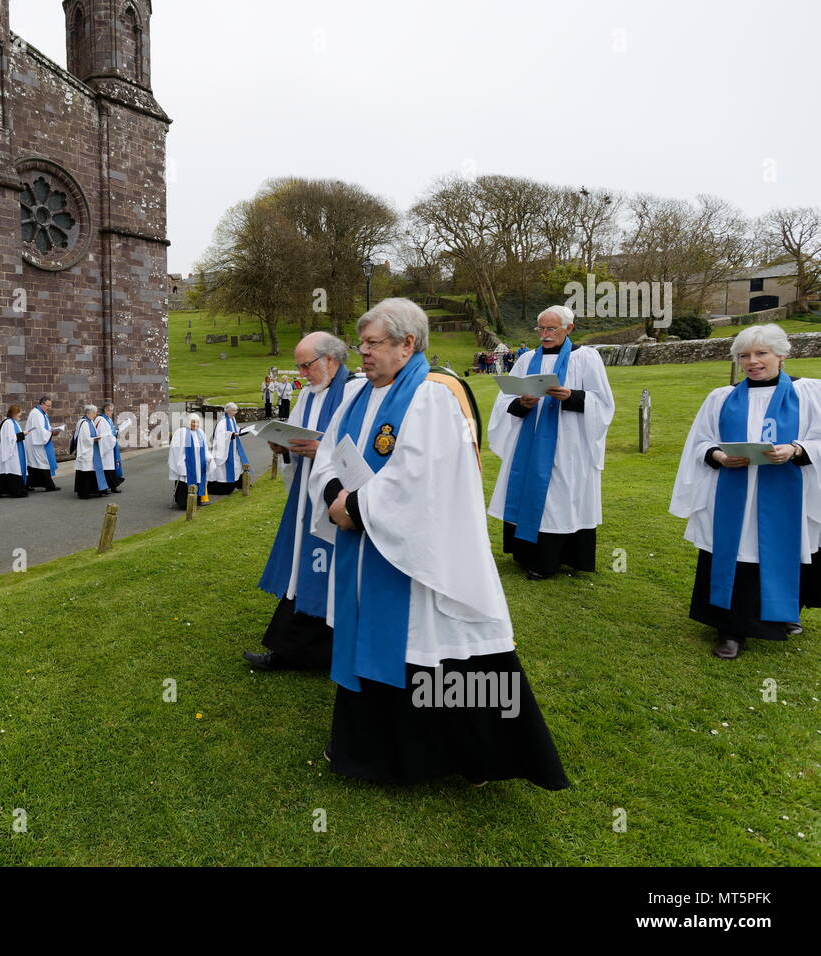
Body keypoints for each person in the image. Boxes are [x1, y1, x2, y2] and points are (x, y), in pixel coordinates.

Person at [308, 298, 568, 790]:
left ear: (408, 344)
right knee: (376, 632)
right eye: (360, 343)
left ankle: (446, 755)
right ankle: (368, 750)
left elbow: (420, 481)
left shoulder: (432, 397)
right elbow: (328, 455)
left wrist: (355, 508)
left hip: (418, 555)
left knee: (432, 643)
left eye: (373, 344)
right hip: (364, 548)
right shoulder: (356, 396)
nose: (362, 353)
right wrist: (332, 495)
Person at [670, 323, 821, 660]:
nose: (752, 361)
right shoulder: (721, 398)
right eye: (744, 356)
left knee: (781, 549)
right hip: (731, 494)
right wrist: (719, 455)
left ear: (781, 355)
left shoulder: (809, 393)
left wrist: (796, 449)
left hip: (786, 494)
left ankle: (782, 614)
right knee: (735, 555)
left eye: (761, 353)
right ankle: (730, 630)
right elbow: (700, 442)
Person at [248, 331, 366, 672]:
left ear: (331, 360)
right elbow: (298, 434)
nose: (302, 373)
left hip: (337, 498)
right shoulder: (310, 397)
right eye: (299, 366)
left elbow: (359, 444)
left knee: (327, 573)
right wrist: (282, 445)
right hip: (307, 497)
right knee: (307, 571)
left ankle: (305, 652)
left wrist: (323, 450)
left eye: (306, 365)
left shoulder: (354, 392)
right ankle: (300, 651)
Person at [488, 306, 615, 580]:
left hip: (568, 443)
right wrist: (521, 402)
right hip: (528, 441)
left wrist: (570, 396)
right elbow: (503, 402)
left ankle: (549, 560)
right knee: (527, 491)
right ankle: (525, 554)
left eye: (551, 329)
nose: (544, 335)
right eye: (541, 329)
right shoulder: (527, 360)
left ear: (569, 328)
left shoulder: (586, 358)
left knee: (558, 497)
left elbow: (603, 403)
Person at [168, 414, 211, 510]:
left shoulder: (201, 433)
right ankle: (183, 502)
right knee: (185, 480)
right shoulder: (181, 432)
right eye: (193, 422)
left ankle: (196, 500)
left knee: (198, 479)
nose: (195, 424)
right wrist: (181, 460)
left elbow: (205, 449)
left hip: (198, 464)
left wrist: (208, 457)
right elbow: (175, 448)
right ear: (188, 422)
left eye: (197, 422)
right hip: (185, 463)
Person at [207, 402, 249, 497]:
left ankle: (238, 483)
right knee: (224, 469)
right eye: (234, 410)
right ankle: (223, 487)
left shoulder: (232, 419)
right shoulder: (223, 422)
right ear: (228, 410)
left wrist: (243, 430)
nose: (235, 412)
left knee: (237, 464)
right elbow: (219, 436)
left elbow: (236, 429)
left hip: (233, 447)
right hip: (225, 449)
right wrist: (231, 435)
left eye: (236, 410)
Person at [73, 404, 112, 499]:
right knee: (87, 472)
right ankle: (84, 493)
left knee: (89, 471)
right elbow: (85, 439)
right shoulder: (85, 423)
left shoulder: (88, 421)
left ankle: (89, 491)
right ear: (89, 413)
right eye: (94, 413)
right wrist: (94, 439)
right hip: (87, 451)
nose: (95, 415)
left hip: (90, 450)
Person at [0, 405, 30, 498]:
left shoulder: (14, 422)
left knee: (10, 470)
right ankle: (15, 491)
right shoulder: (8, 423)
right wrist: (22, 434)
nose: (20, 414)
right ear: (13, 413)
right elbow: (10, 438)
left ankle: (5, 490)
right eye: (18, 412)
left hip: (15, 450)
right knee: (11, 469)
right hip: (11, 452)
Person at [25, 396, 63, 491]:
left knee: (35, 464)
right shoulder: (37, 414)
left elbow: (46, 427)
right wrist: (51, 433)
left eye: (50, 406)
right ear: (42, 404)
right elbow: (40, 431)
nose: (49, 408)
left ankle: (29, 484)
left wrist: (52, 430)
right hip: (36, 443)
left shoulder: (42, 413)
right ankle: (49, 485)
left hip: (39, 442)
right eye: (48, 406)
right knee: (42, 463)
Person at [99, 401, 125, 492]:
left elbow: (111, 431)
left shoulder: (108, 419)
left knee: (113, 465)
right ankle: (110, 486)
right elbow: (105, 434)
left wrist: (117, 431)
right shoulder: (102, 420)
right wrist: (113, 438)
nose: (112, 412)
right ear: (106, 410)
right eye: (111, 410)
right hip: (108, 446)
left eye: (112, 410)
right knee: (108, 467)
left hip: (112, 444)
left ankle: (113, 485)